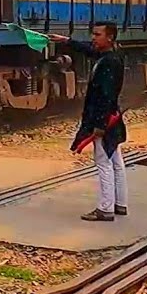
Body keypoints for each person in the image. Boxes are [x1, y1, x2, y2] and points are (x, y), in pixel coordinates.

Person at [48, 22, 127, 222]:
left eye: (97, 34)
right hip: (112, 117)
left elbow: (106, 95)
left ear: (109, 37)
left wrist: (99, 125)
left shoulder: (109, 62)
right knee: (116, 160)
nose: (93, 38)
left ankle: (105, 209)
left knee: (103, 162)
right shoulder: (110, 55)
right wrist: (66, 41)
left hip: (103, 119)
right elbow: (89, 51)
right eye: (93, 34)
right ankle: (120, 204)